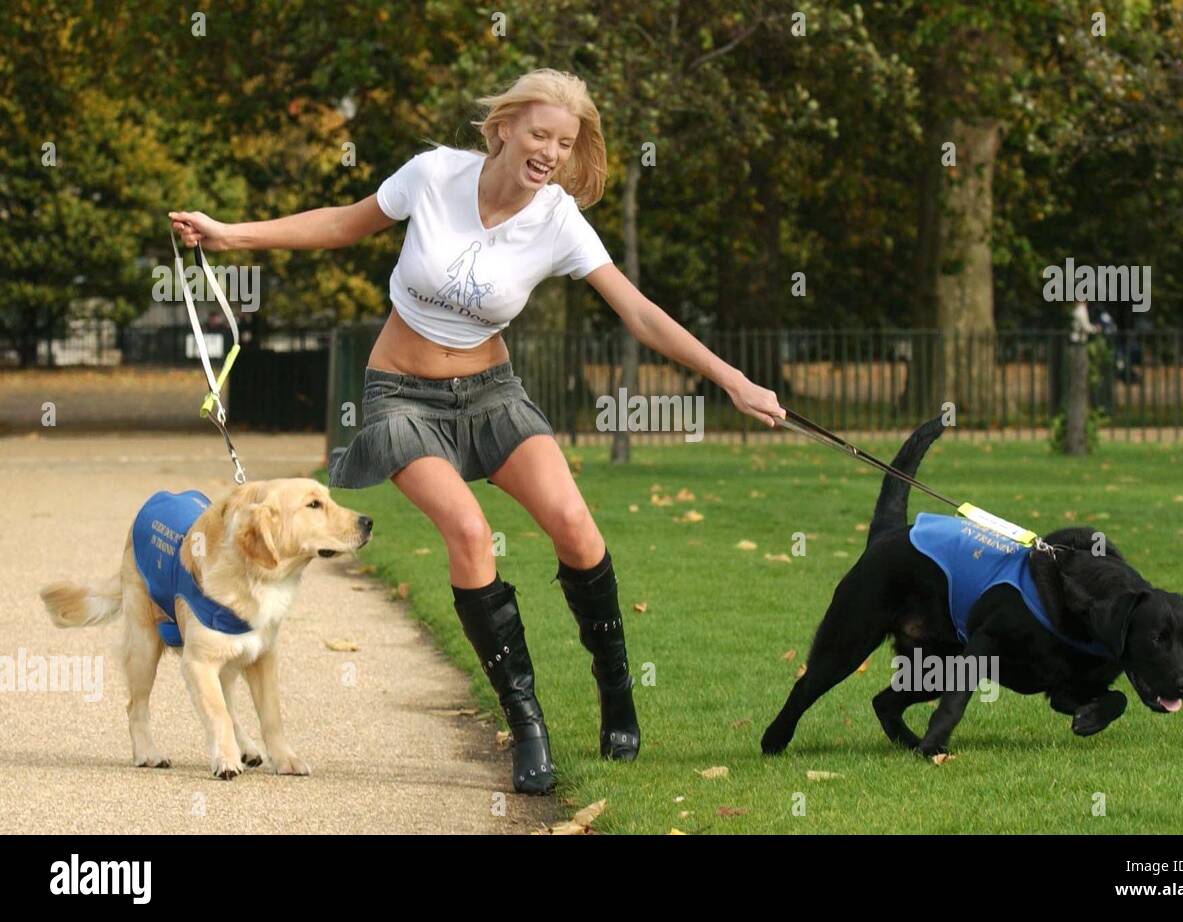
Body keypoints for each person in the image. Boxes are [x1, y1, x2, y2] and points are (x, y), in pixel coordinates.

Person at [169, 67, 785, 795]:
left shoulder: (556, 219)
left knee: (576, 527)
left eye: (565, 141)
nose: (552, 152)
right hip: (400, 396)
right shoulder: (433, 176)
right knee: (468, 532)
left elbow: (640, 313)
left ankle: (614, 684)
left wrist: (732, 379)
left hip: (492, 395)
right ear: (502, 129)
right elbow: (343, 223)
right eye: (539, 134)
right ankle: (526, 723)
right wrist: (229, 232)